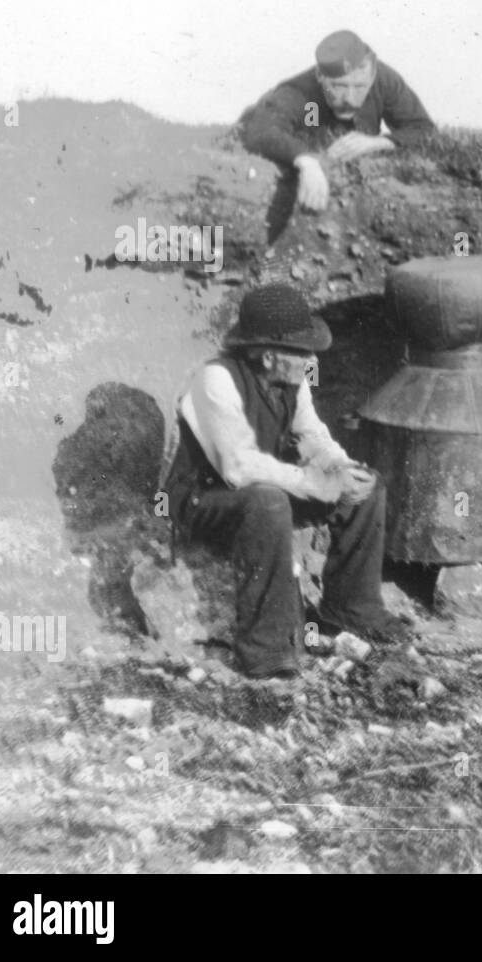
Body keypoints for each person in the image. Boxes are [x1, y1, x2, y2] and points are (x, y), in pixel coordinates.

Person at [162, 283, 404, 679]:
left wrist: (342, 469)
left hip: (263, 489)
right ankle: (265, 648)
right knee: (268, 501)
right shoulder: (213, 380)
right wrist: (317, 484)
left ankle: (353, 610)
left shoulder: (293, 381)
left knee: (366, 486)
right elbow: (237, 467)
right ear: (269, 355)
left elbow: (312, 436)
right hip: (202, 498)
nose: (311, 358)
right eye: (302, 351)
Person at [239, 29, 435, 218]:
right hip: (298, 151)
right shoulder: (299, 91)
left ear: (372, 73)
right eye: (339, 86)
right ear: (320, 76)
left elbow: (423, 128)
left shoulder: (383, 78)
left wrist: (381, 142)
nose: (349, 98)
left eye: (359, 86)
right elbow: (262, 132)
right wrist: (307, 161)